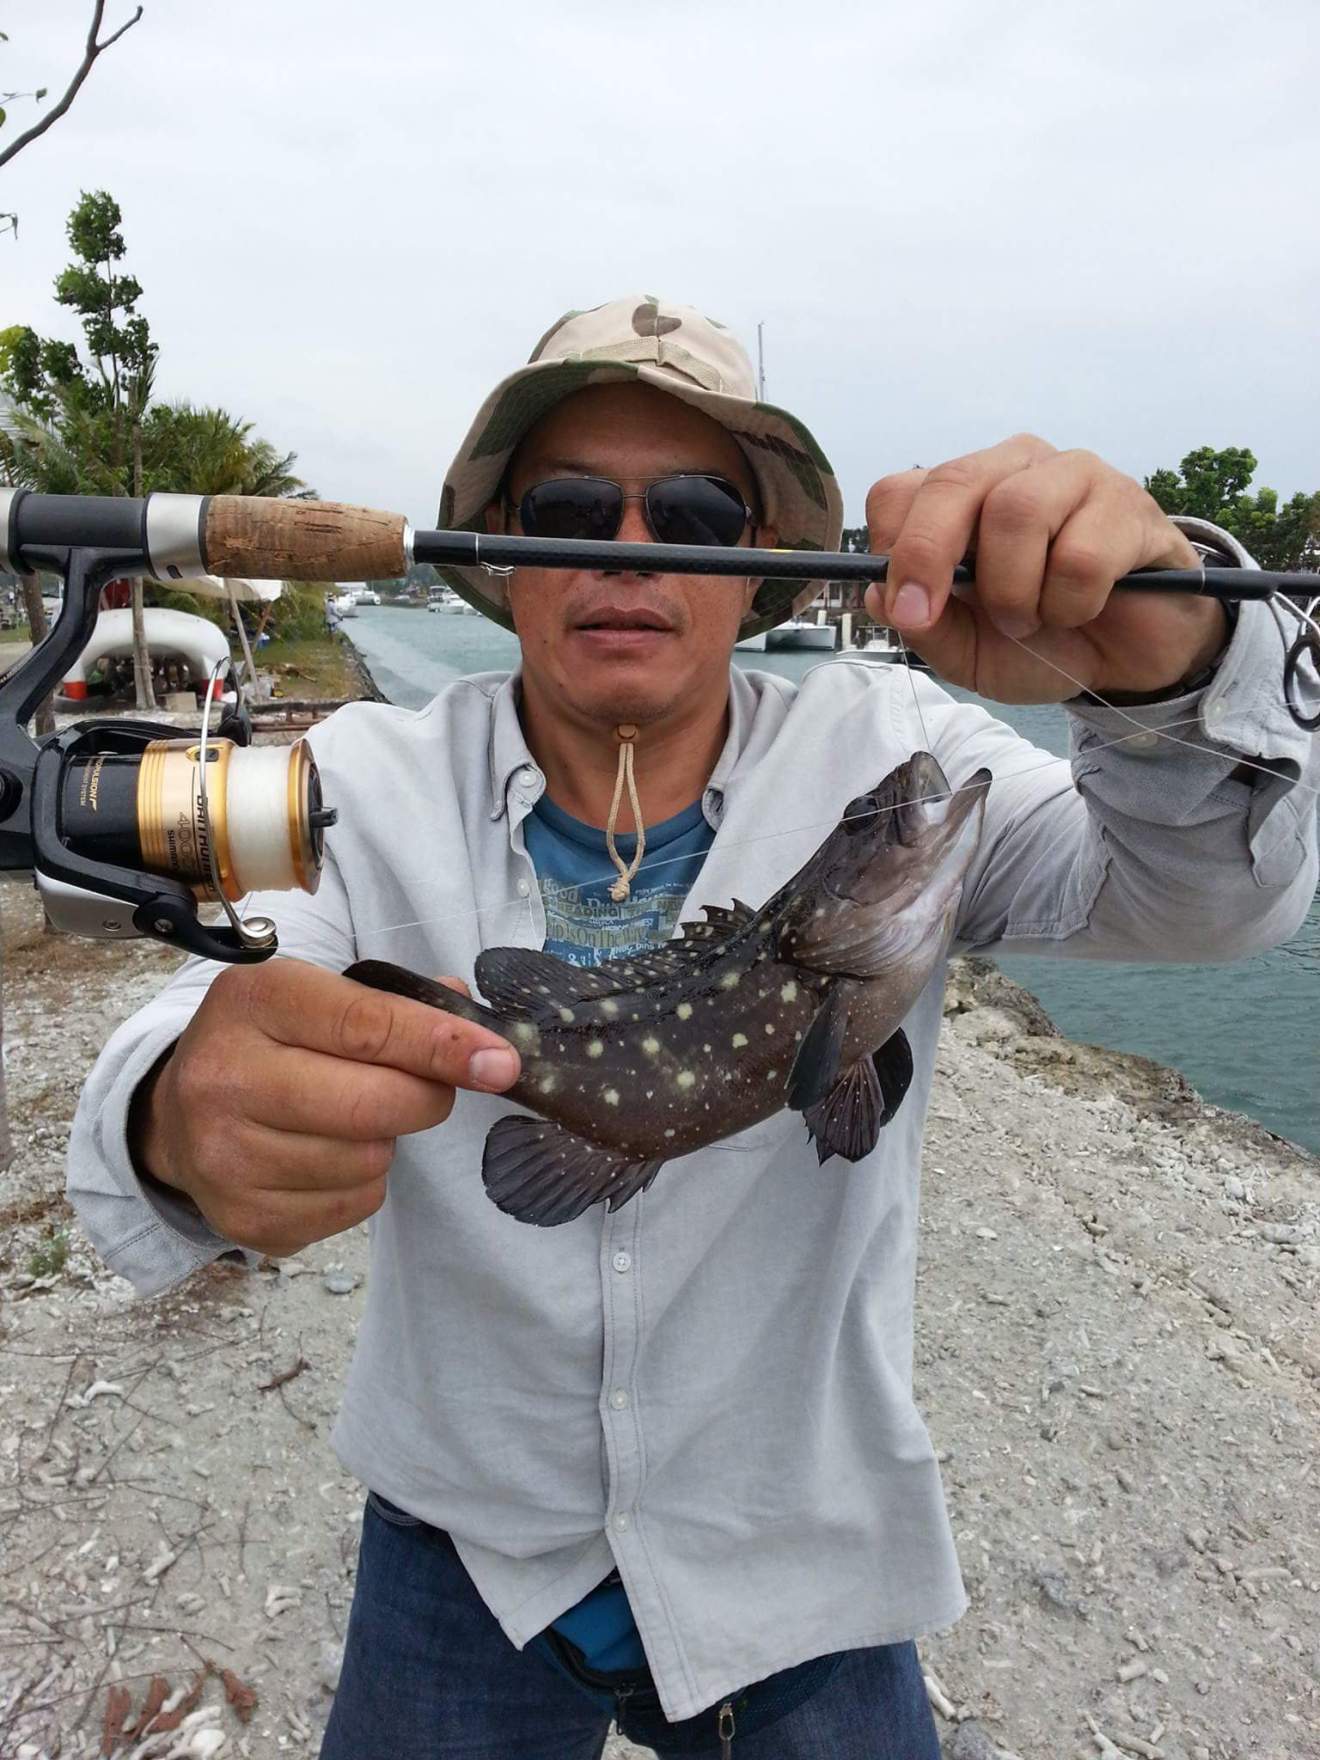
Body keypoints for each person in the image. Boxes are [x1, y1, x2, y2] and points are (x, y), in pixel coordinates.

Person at [67, 296, 1317, 1758]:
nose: (629, 545)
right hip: (462, 1545)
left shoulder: (899, 758)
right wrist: (174, 1116)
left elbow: (1211, 900)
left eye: (703, 510)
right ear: (500, 549)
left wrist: (1167, 653)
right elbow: (194, 1019)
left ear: (764, 564)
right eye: (571, 505)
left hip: (802, 1546)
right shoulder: (357, 774)